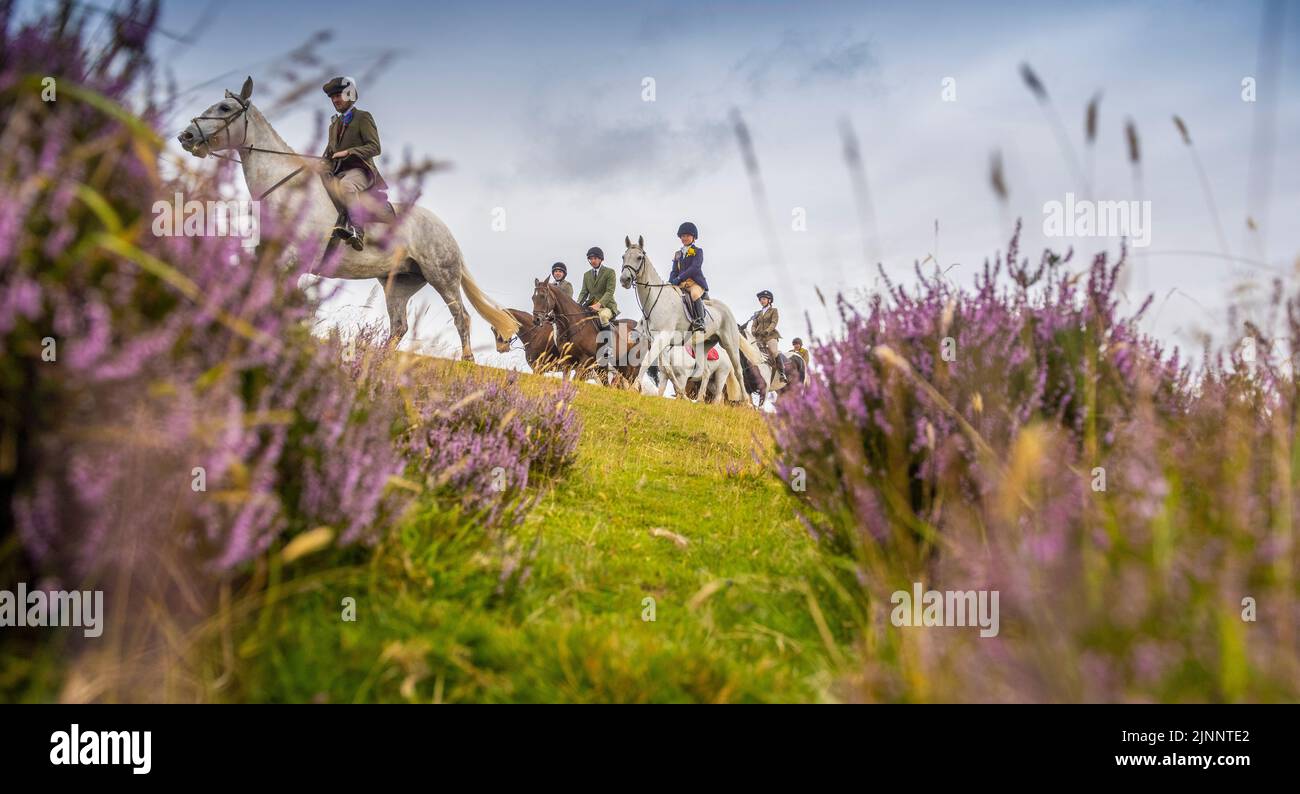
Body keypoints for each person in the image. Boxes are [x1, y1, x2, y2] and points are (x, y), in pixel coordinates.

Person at [320, 76, 391, 251]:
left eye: (339, 95)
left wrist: (349, 152)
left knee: (346, 186)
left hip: (360, 170)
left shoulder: (363, 117)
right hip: (338, 171)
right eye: (332, 97)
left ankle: (357, 232)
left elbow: (375, 147)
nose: (335, 100)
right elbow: (329, 152)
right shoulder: (333, 125)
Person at [668, 222, 707, 333]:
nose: (685, 238)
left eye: (687, 235)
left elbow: (695, 268)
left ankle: (700, 321)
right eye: (683, 236)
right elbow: (674, 270)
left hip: (695, 283)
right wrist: (670, 281)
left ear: (693, 237)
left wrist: (679, 278)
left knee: (694, 294)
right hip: (681, 284)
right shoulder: (677, 254)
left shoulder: (698, 251)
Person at [745, 289, 786, 383]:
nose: (761, 301)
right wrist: (753, 331)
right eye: (760, 299)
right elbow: (754, 324)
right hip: (759, 337)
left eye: (763, 299)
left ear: (769, 300)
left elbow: (774, 322)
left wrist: (767, 331)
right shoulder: (758, 313)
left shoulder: (774, 310)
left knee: (774, 352)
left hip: (770, 336)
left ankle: (782, 373)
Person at [577, 246, 618, 326]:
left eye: (595, 258)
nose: (593, 261)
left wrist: (599, 304)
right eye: (591, 259)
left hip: (607, 306)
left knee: (603, 316)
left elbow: (610, 291)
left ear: (600, 259)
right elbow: (584, 292)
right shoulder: (586, 275)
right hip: (590, 306)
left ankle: (607, 338)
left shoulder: (609, 272)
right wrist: (577, 304)